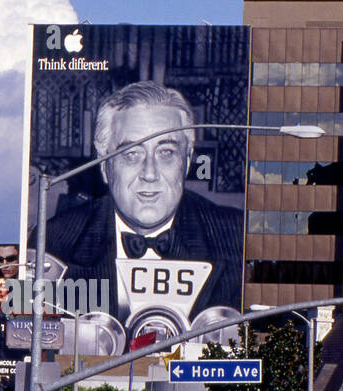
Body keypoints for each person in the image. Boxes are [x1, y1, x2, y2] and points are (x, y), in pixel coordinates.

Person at [42, 80, 243, 335]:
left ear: (188, 160)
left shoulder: (238, 238)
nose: (149, 173)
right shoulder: (53, 243)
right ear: (105, 167)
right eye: (131, 154)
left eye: (166, 152)